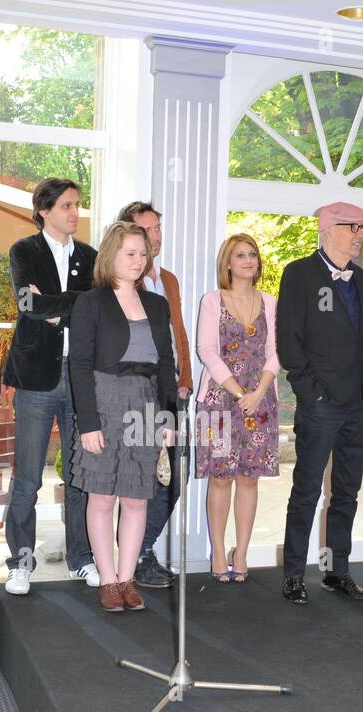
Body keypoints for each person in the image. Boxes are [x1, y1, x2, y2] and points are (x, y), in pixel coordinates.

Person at [68, 221, 179, 612]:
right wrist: (89, 423)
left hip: (147, 403)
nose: (137, 260)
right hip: (104, 399)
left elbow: (166, 365)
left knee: (136, 499)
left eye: (143, 253)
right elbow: (78, 365)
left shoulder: (157, 304)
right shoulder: (91, 302)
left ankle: (128, 579)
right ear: (111, 255)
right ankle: (108, 580)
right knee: (102, 497)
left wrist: (169, 418)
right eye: (130, 252)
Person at [277, 202, 363, 605]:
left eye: (361, 229)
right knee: (306, 491)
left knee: (347, 492)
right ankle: (293, 575)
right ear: (327, 230)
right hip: (321, 403)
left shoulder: (362, 279)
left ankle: (338, 571)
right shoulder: (299, 273)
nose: (358, 235)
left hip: (358, 403)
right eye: (350, 227)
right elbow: (290, 340)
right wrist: (312, 392)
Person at [3, 178, 99, 595]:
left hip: (81, 377)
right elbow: (28, 305)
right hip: (36, 378)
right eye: (66, 206)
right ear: (44, 210)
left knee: (81, 476)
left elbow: (97, 310)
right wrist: (69, 305)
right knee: (27, 479)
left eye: (77, 205)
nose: (75, 213)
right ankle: (20, 563)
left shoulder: (92, 257)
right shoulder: (24, 251)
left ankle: (81, 558)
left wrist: (55, 307)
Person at [117, 201, 193, 589]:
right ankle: (138, 558)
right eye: (147, 230)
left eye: (158, 228)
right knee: (145, 481)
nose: (156, 236)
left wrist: (186, 379)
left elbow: (177, 337)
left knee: (176, 478)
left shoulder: (170, 280)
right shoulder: (125, 284)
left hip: (176, 393)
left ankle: (140, 551)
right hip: (142, 397)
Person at [194, 233, 279, 583]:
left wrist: (257, 392)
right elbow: (206, 350)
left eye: (252, 255)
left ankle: (241, 552)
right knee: (220, 477)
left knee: (249, 478)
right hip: (218, 401)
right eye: (240, 255)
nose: (248, 260)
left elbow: (277, 350)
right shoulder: (213, 300)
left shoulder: (271, 302)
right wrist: (237, 389)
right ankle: (217, 550)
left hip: (260, 402)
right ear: (227, 263)